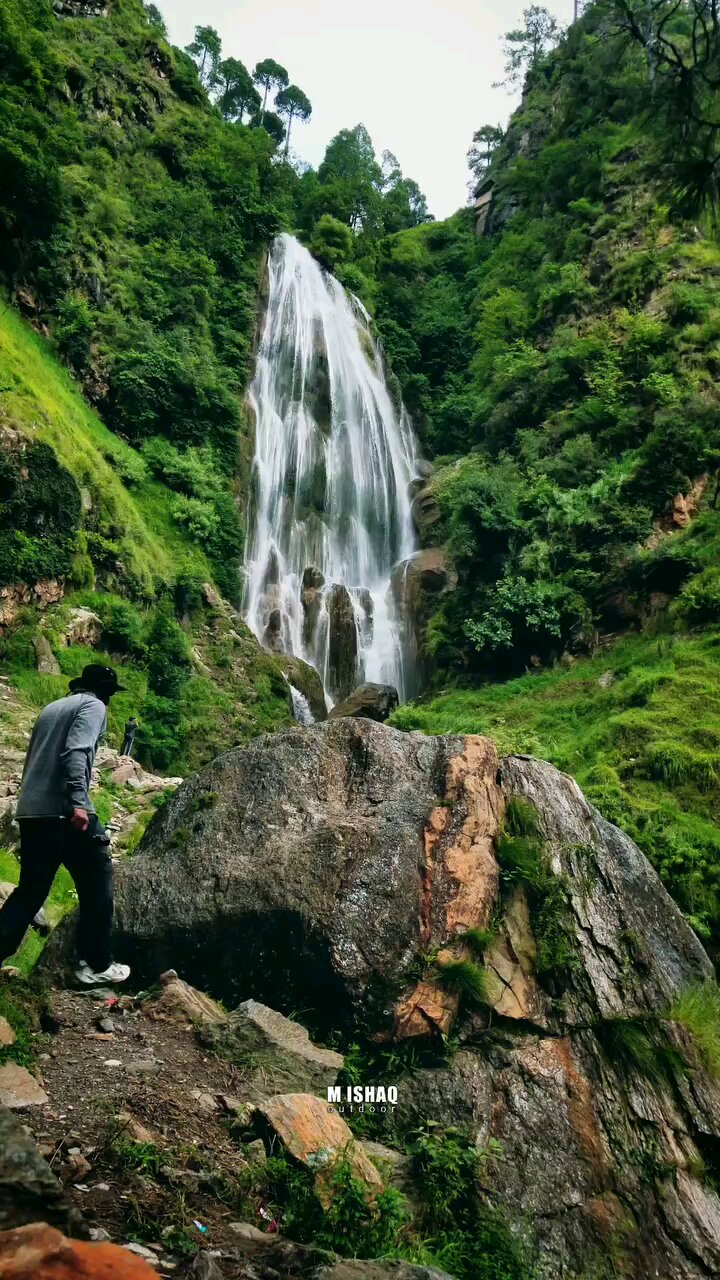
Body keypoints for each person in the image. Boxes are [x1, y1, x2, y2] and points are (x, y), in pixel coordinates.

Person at [0, 664, 131, 986]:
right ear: (105, 692)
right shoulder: (93, 706)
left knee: (30, 891)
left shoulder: (53, 707)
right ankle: (96, 963)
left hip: (32, 811)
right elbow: (78, 752)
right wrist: (79, 802)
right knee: (98, 876)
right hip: (63, 811)